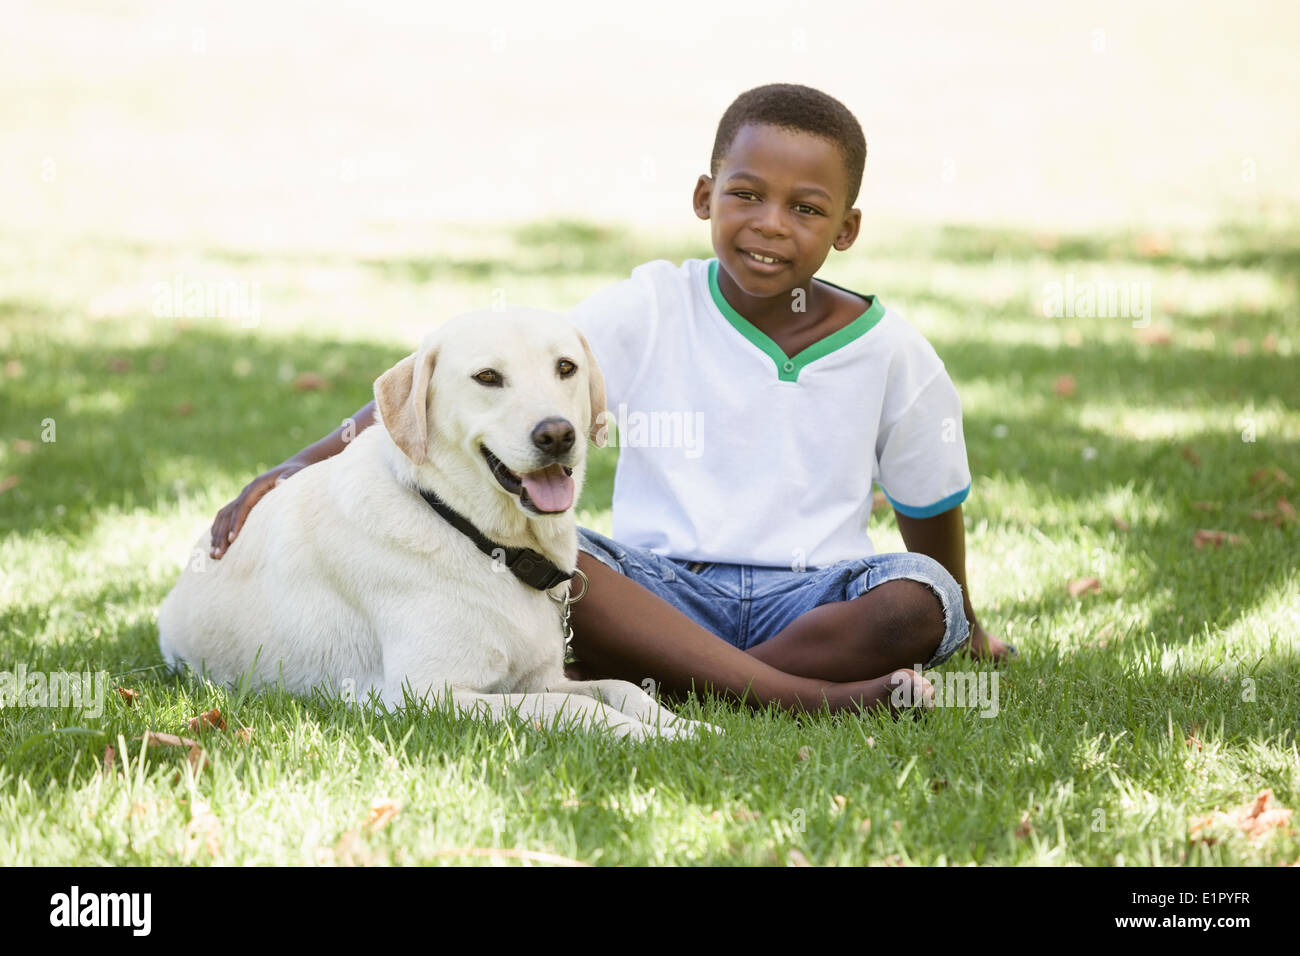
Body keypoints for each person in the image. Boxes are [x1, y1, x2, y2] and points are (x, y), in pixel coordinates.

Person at [207, 83, 1015, 717]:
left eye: (806, 209)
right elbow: (482, 378)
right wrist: (290, 467)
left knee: (918, 601)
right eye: (746, 195)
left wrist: (964, 625)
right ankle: (795, 697)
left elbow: (930, 504)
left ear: (847, 228)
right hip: (652, 585)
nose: (771, 225)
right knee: (553, 563)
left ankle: (691, 678)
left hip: (809, 596)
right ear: (705, 197)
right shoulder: (653, 306)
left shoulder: (893, 351)